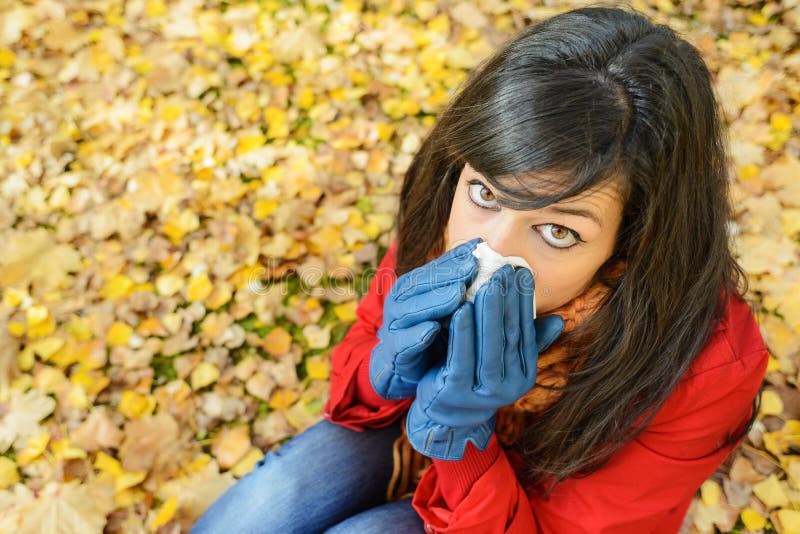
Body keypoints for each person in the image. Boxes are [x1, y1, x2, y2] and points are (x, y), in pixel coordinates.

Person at [190, 5, 769, 533]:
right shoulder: (449, 215)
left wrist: (464, 440)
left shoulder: (708, 365)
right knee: (279, 497)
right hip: (412, 436)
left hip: (520, 511)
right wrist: (385, 366)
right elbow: (363, 365)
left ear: (634, 242)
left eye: (559, 231)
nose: (489, 251)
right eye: (487, 195)